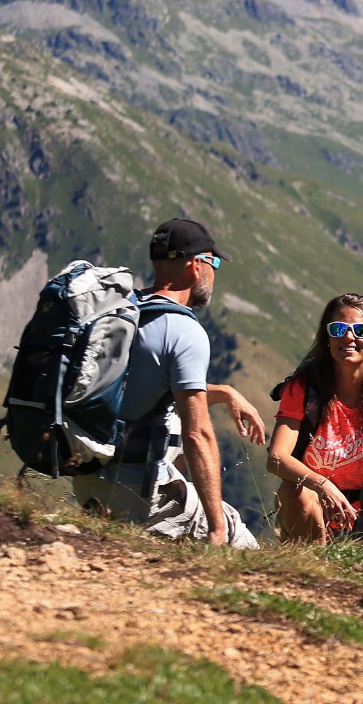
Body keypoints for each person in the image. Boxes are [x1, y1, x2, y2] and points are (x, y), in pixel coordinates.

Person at [72, 218, 266, 548]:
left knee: (170, 417)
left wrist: (224, 392)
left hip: (87, 477)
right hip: (136, 495)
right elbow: (198, 434)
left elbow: (142, 388)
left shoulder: (126, 310)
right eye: (213, 263)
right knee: (241, 542)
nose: (214, 273)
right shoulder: (183, 330)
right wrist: (216, 527)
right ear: (195, 265)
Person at [266, 293, 363, 542]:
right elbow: (276, 458)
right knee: (291, 490)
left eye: (360, 330)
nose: (349, 337)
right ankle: (316, 561)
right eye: (338, 329)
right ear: (327, 338)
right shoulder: (303, 390)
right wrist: (322, 485)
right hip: (314, 509)